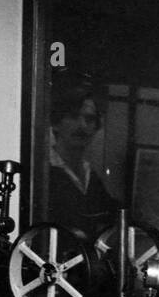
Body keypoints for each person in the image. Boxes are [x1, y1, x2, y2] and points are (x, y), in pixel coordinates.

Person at [44, 75, 122, 241]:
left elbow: (111, 213)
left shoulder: (90, 175)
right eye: (73, 116)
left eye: (90, 119)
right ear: (56, 123)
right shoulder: (43, 171)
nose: (82, 126)